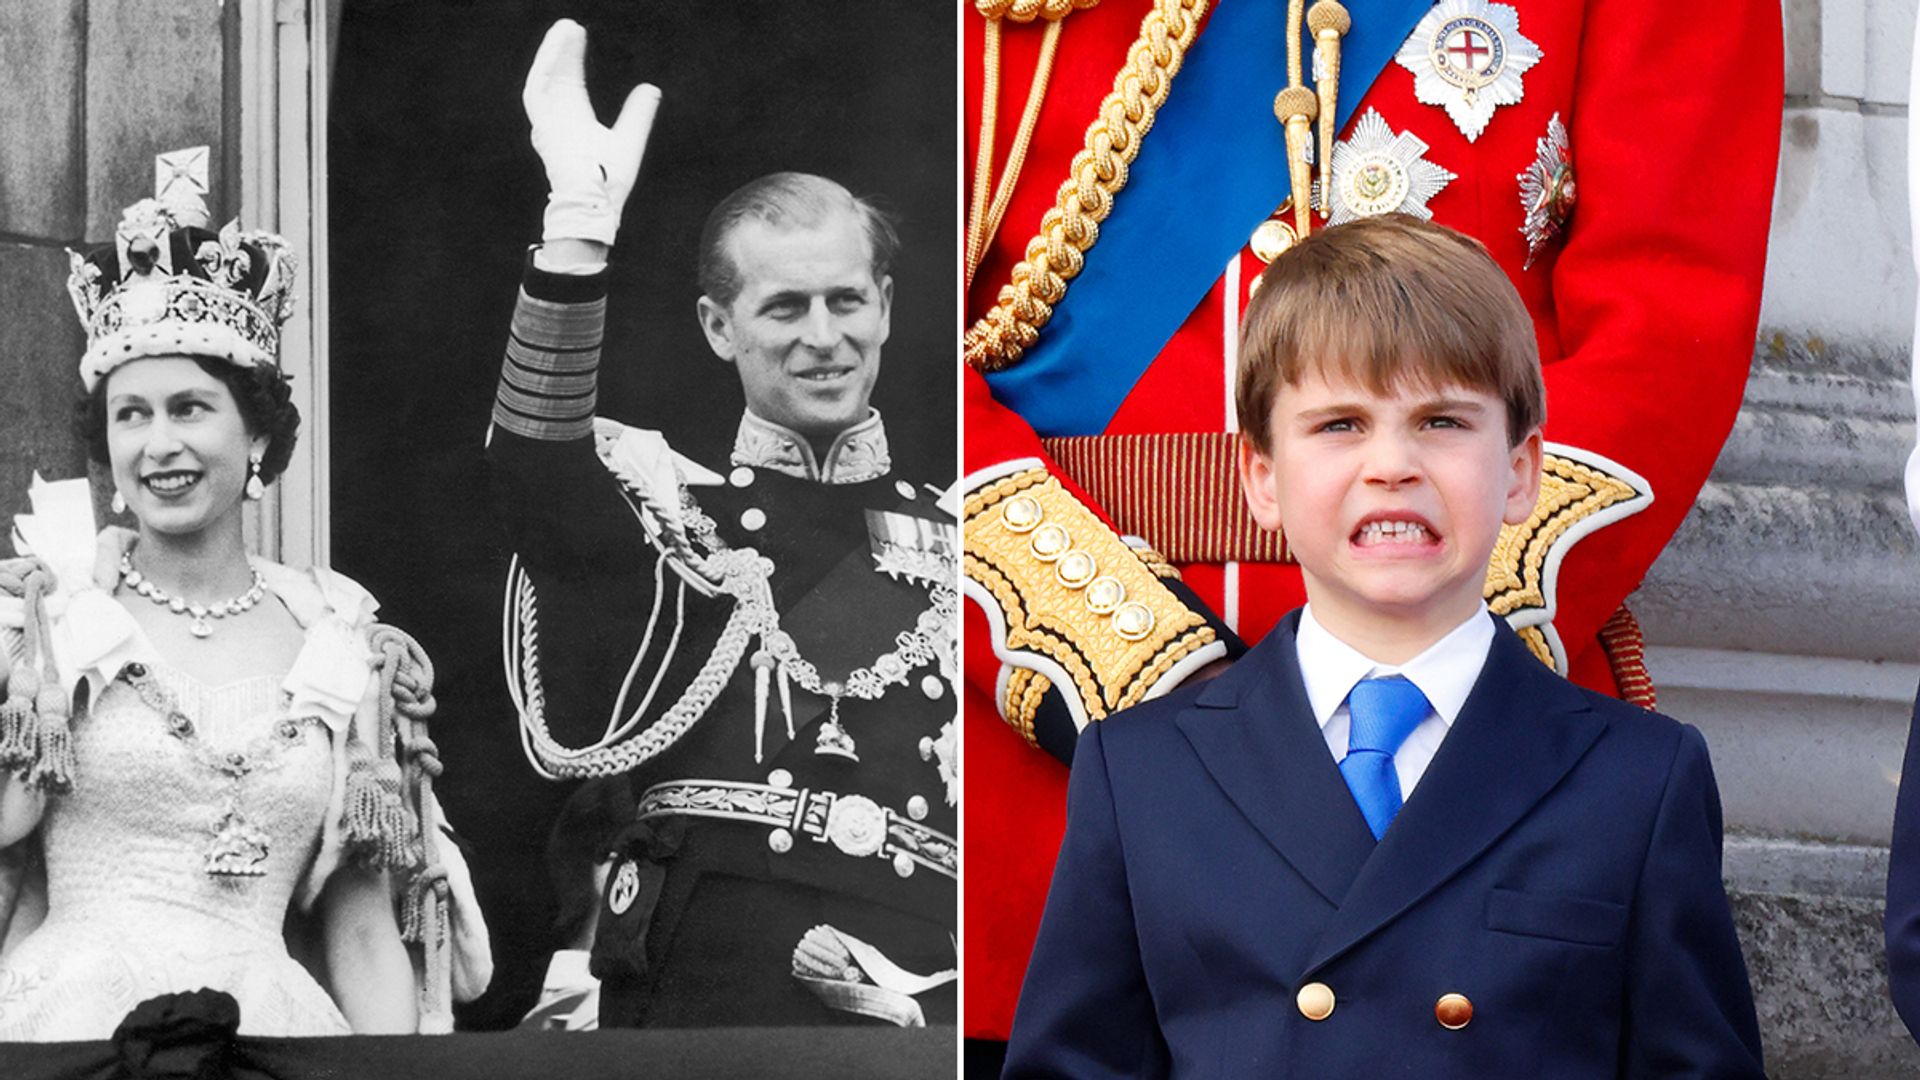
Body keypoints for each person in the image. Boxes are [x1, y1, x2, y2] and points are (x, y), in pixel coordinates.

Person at [960, 0, 1783, 1047]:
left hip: (1464, 781)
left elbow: (1666, 339)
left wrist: (1425, 668)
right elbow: (877, 337)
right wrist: (1138, 675)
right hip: (1041, 769)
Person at [488, 21, 956, 1028]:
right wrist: (576, 231)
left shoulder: (966, 533)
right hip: (709, 976)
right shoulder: (671, 509)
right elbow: (535, 472)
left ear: (884, 307)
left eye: (846, 301)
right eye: (785, 308)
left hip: (924, 982)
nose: (823, 338)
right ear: (718, 326)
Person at [0, 177, 487, 1038]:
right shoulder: (48, 628)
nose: (160, 444)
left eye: (191, 408)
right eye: (131, 416)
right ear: (107, 453)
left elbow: (363, 926)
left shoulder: (336, 644)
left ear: (257, 436)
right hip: (67, 1030)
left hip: (270, 1031)